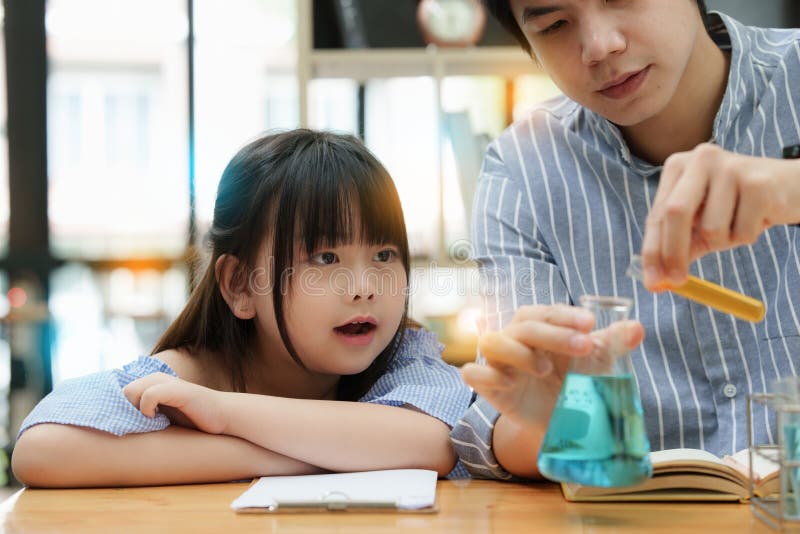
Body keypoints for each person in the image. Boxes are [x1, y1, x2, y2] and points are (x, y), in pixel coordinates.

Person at [451, 0, 800, 480]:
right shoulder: (523, 171)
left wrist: (790, 187)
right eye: (554, 25)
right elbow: (501, 422)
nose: (600, 47)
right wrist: (564, 418)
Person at [12, 129, 472, 487]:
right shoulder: (190, 375)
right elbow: (42, 450)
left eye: (385, 255)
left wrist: (225, 415)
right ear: (239, 285)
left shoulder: (404, 355)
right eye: (325, 258)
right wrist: (315, 455)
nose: (364, 287)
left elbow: (433, 442)